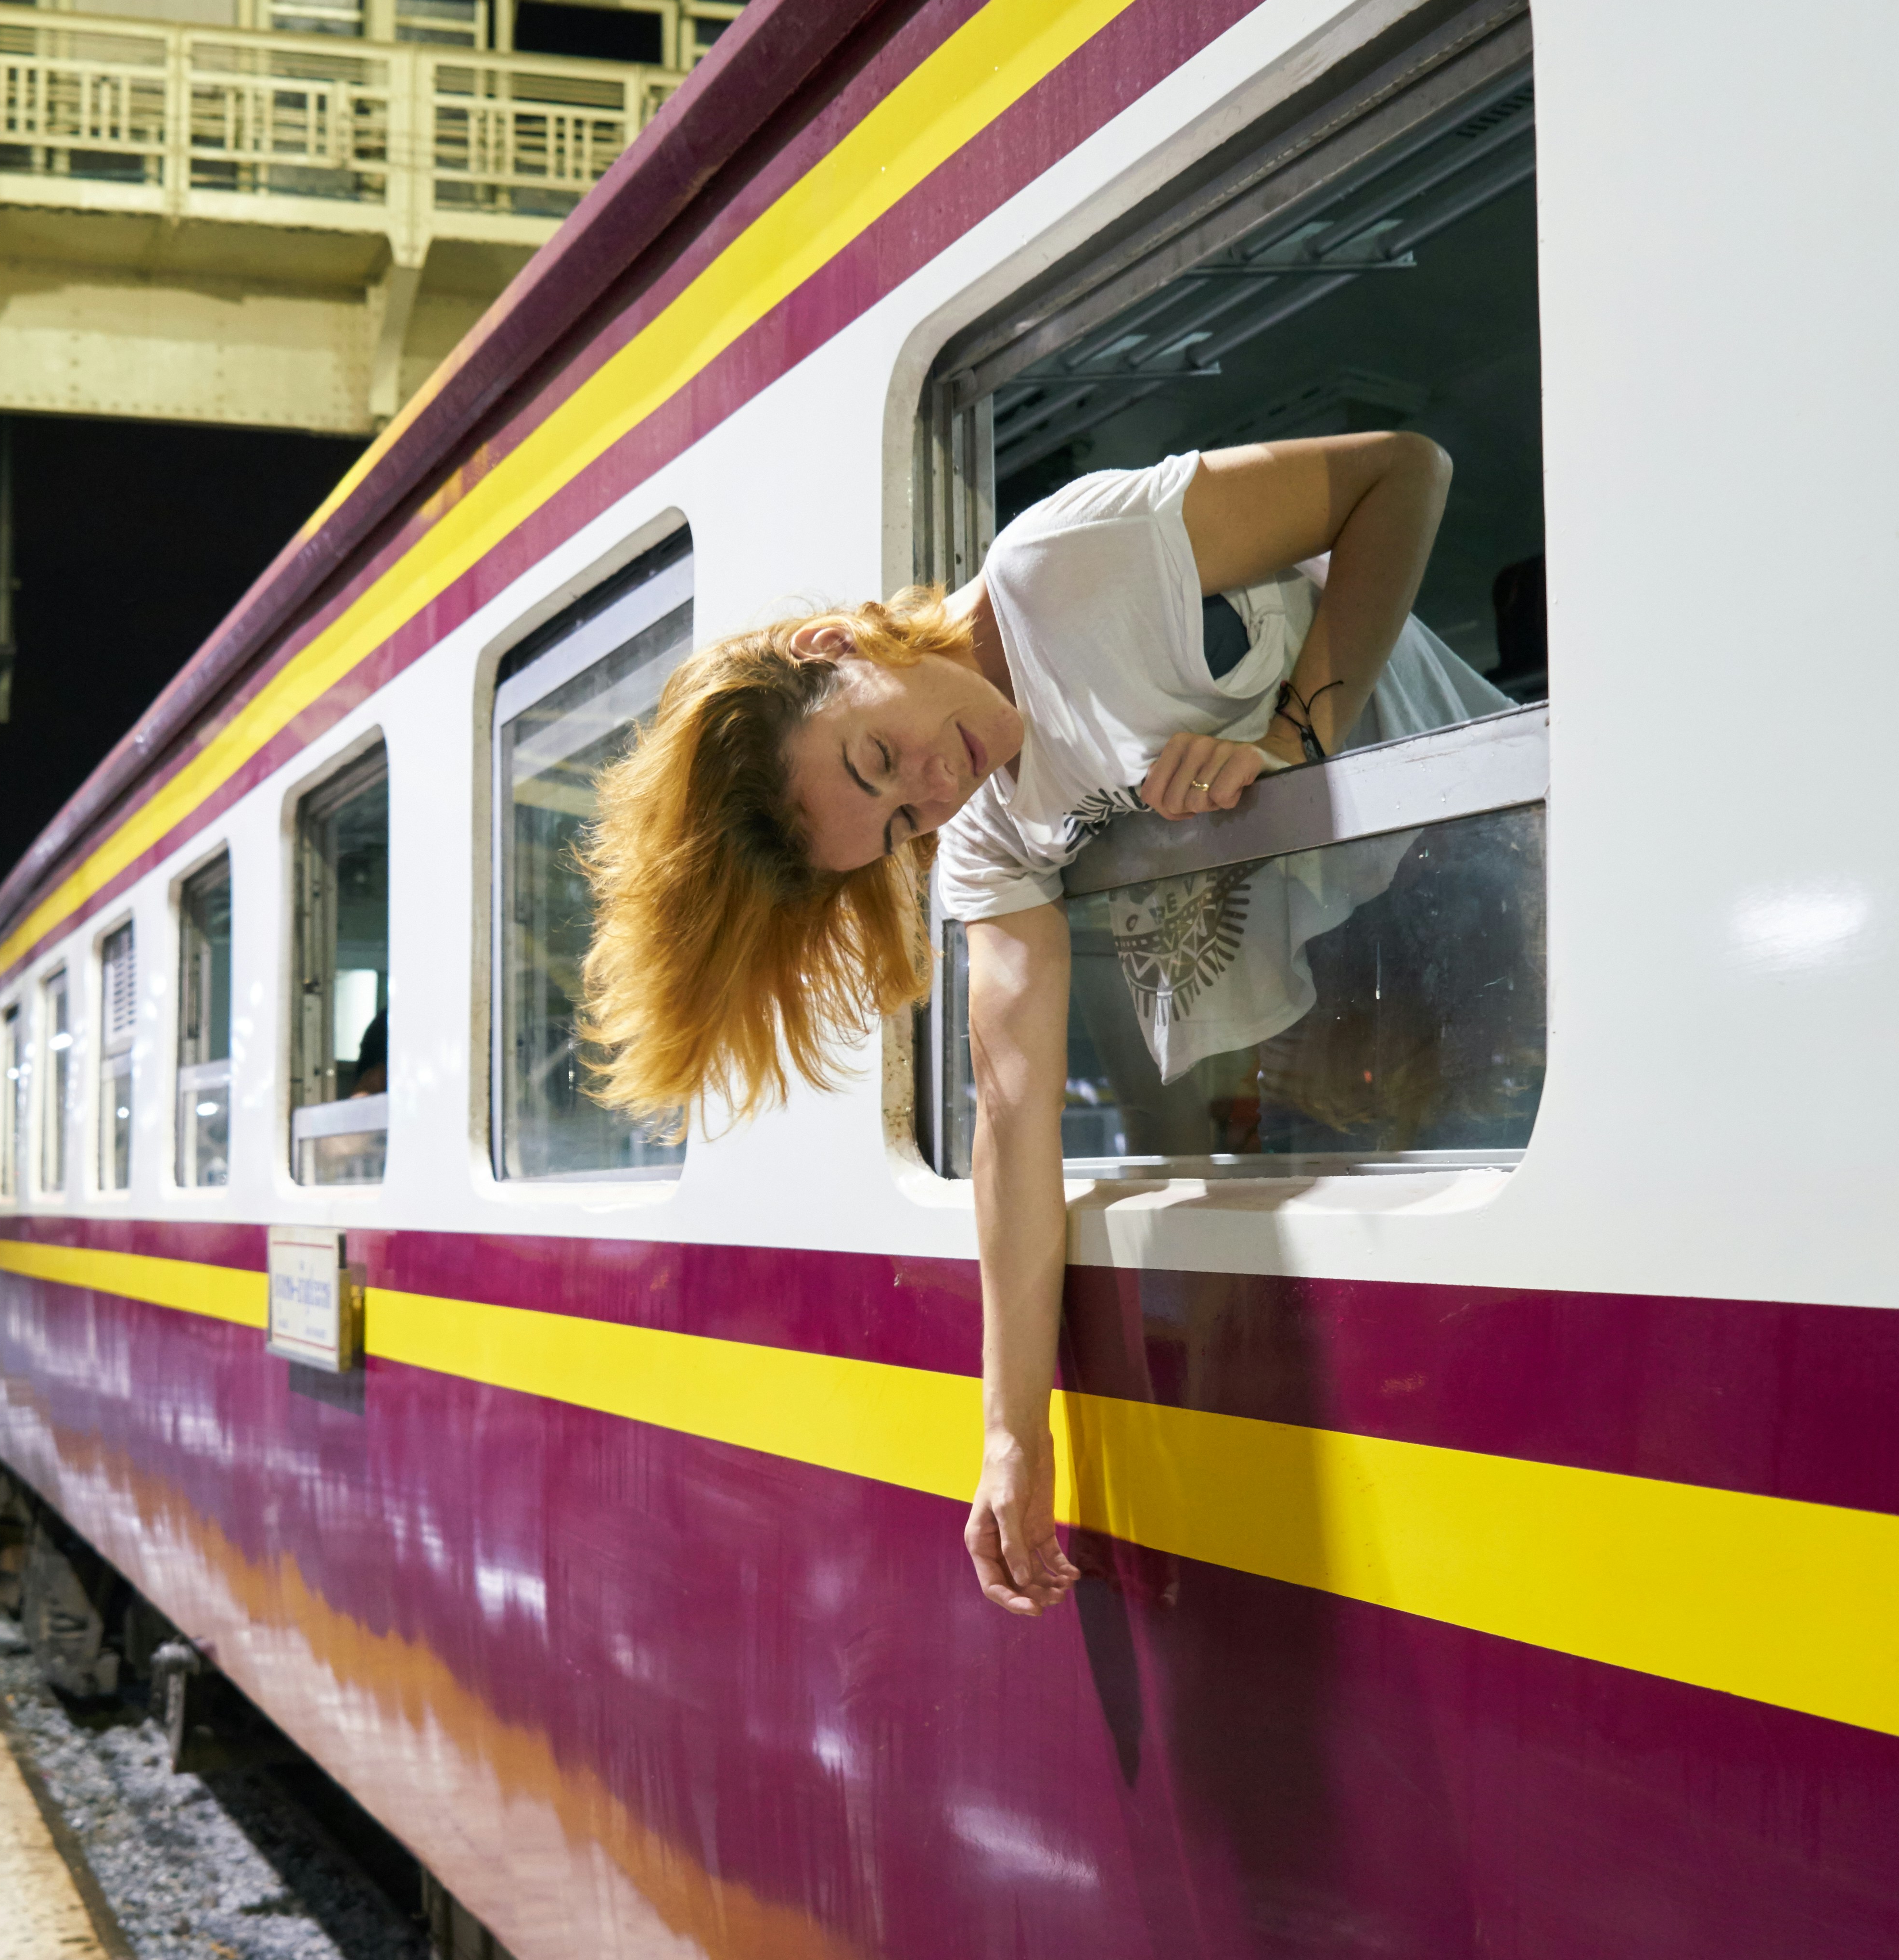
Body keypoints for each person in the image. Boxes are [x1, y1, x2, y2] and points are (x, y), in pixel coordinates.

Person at [578, 434, 1467, 1619]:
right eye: (898, 823)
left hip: (1480, 889)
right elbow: (1011, 1117)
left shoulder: (1062, 563)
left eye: (878, 753)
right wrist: (1011, 1438)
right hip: (1396, 987)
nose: (933, 793)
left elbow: (1401, 473)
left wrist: (1298, 734)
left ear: (832, 645)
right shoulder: (992, 838)